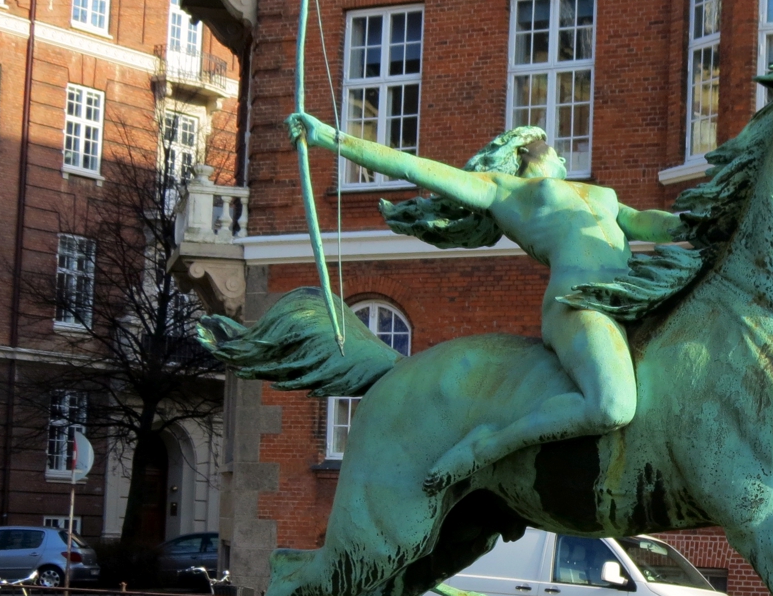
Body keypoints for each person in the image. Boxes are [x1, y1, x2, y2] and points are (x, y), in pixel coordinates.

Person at [287, 113, 686, 488]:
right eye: (547, 144)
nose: (558, 150)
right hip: (582, 308)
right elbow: (412, 166)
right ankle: (490, 444)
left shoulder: (602, 195)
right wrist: (327, 136)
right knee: (612, 406)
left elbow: (647, 222)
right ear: (523, 149)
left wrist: (697, 221)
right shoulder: (503, 190)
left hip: (635, 301)